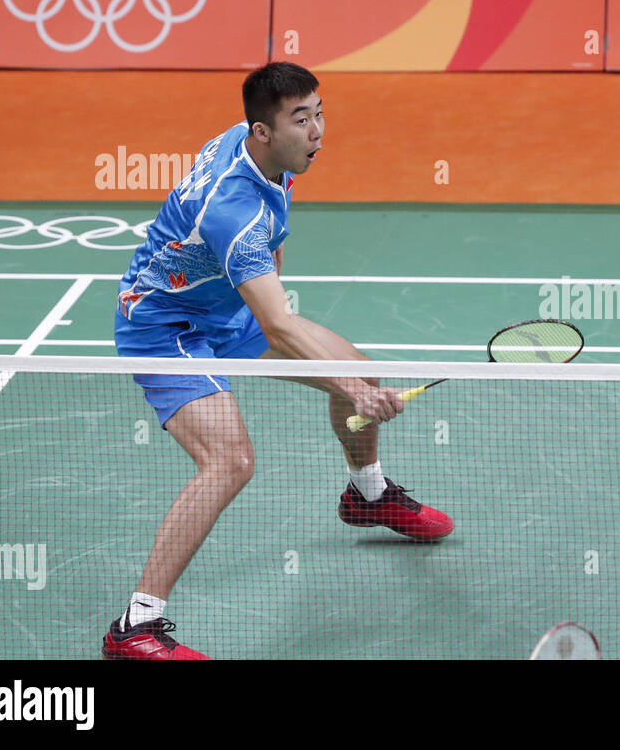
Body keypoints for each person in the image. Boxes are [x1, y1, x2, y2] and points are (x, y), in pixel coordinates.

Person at [103, 62, 453, 660]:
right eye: (301, 119)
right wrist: (332, 374)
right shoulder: (233, 212)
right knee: (231, 461)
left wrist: (346, 378)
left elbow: (275, 255)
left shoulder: (269, 153)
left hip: (226, 309)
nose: (318, 130)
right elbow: (278, 324)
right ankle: (134, 626)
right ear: (263, 131)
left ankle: (367, 496)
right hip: (167, 327)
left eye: (319, 112)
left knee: (360, 375)